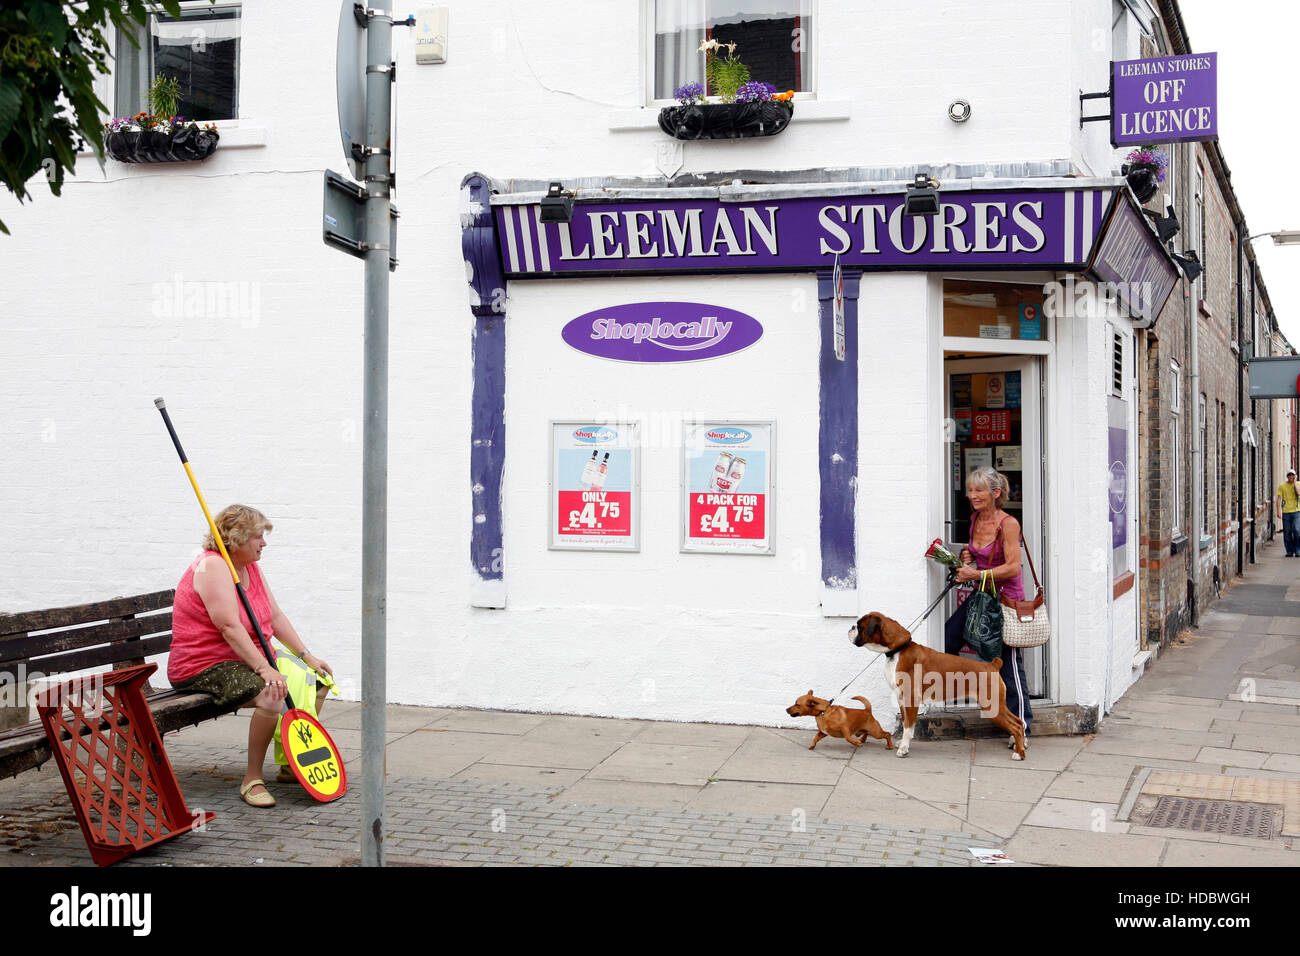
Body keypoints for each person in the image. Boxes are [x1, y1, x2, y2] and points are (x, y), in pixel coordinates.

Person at [167, 505, 332, 808]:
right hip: (204, 664)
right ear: (236, 538)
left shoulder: (249, 567)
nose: (263, 543)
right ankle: (252, 779)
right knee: (272, 693)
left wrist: (307, 656)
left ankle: (289, 762)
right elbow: (229, 626)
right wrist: (264, 668)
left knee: (317, 680)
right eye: (258, 536)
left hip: (247, 657)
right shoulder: (213, 566)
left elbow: (275, 616)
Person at [943, 467, 1033, 736]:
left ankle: (1022, 728)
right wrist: (967, 555)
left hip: (1006, 600)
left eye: (979, 490)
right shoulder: (975, 519)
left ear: (995, 493)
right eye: (970, 490)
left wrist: (976, 573)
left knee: (1007, 662)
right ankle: (971, 691)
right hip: (982, 597)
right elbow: (976, 550)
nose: (972, 495)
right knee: (948, 638)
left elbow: (1014, 568)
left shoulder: (1009, 524)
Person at [1276, 470, 1300, 557]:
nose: (1290, 476)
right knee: (1287, 532)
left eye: (1292, 475)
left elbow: (1298, 493)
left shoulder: (1298, 484)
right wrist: (1278, 510)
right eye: (1289, 475)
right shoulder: (1282, 486)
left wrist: (1295, 482)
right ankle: (1289, 551)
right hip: (1286, 512)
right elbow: (1279, 498)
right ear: (1287, 476)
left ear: (1295, 476)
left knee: (1297, 530)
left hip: (1296, 511)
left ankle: (1298, 550)